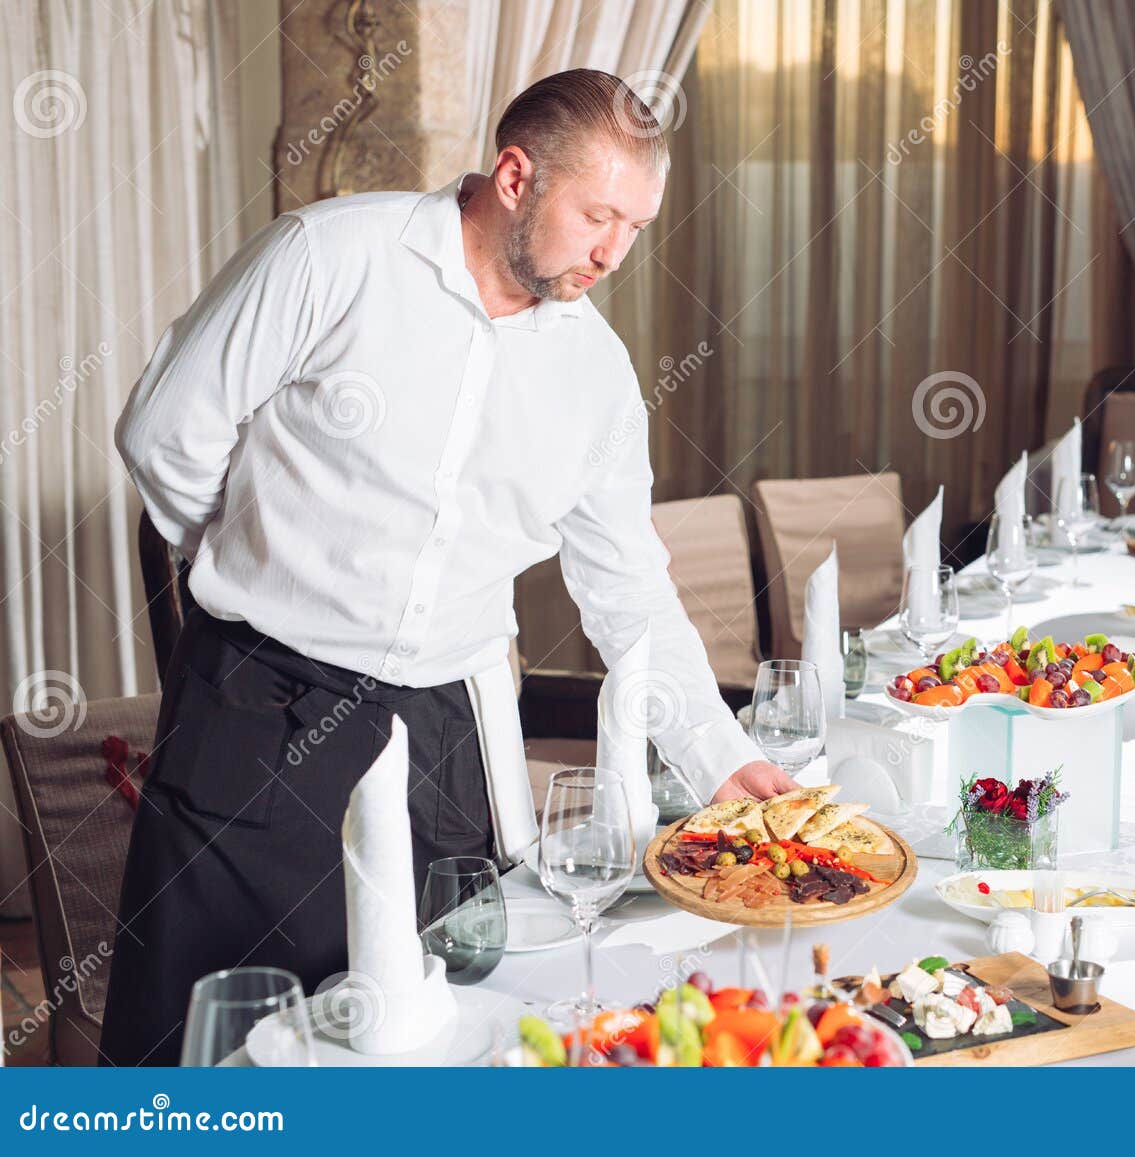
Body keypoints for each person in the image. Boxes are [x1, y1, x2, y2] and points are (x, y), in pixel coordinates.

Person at [101, 69, 798, 1066]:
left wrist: (720, 757)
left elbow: (628, 585)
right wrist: (253, 563)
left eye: (635, 226)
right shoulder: (330, 255)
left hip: (441, 738)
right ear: (514, 176)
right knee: (201, 1051)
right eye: (597, 214)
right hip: (256, 713)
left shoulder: (595, 376)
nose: (613, 251)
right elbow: (167, 428)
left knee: (424, 1051)